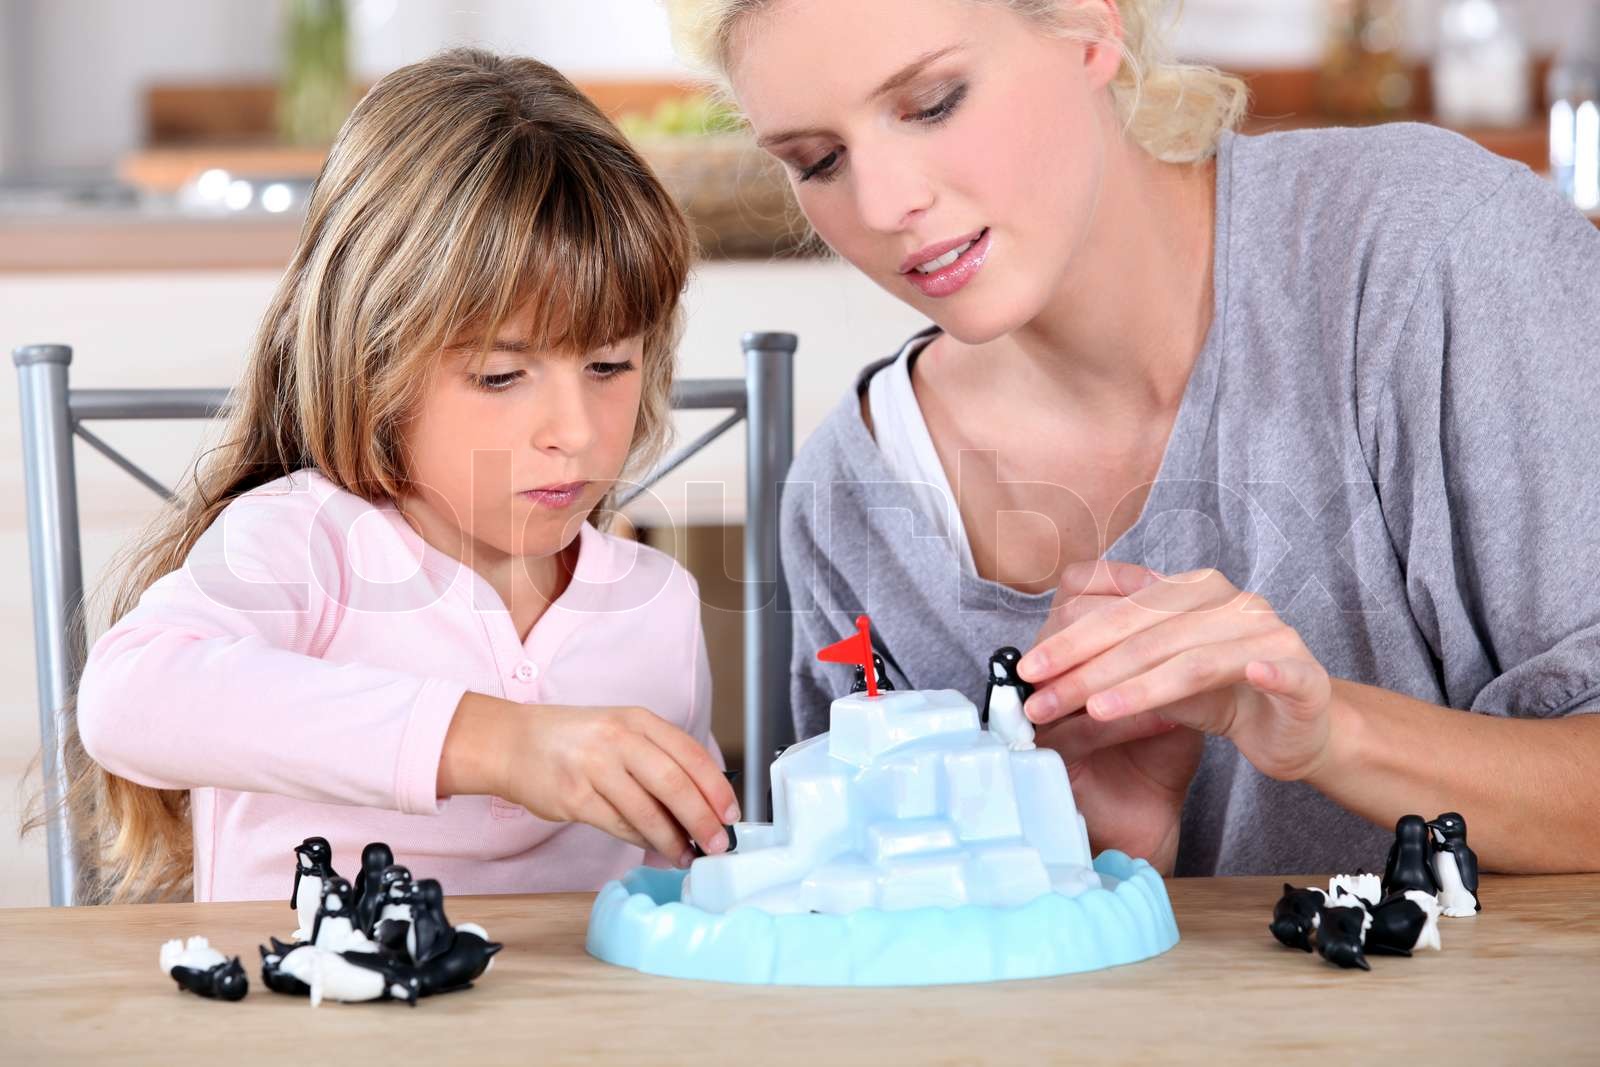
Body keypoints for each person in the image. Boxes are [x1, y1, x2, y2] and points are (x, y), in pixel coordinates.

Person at [666, 0, 1600, 876]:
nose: (881, 204)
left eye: (933, 103)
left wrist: (1329, 735)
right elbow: (874, 928)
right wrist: (1099, 865)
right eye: (819, 161)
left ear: (1091, 28)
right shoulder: (849, 497)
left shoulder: (1429, 252)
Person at [46, 48, 738, 903]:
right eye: (500, 375)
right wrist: (500, 743)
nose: (576, 432)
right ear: (373, 361)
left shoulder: (657, 608)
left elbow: (690, 889)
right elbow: (129, 698)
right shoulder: (306, 544)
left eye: (608, 365)